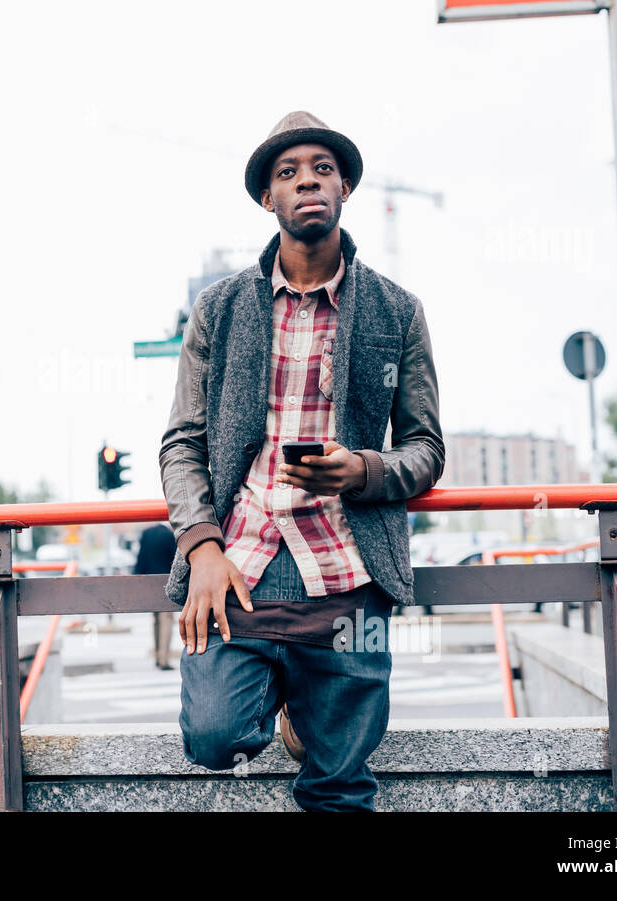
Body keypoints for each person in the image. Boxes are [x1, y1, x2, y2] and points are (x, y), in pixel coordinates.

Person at [158, 111, 445, 811]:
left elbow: (427, 448)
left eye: (321, 167)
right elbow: (181, 442)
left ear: (343, 184)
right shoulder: (219, 308)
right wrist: (200, 547)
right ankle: (289, 708)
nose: (306, 180)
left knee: (341, 784)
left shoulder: (395, 310)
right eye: (287, 172)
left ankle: (310, 716)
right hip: (240, 567)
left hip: (352, 574)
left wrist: (363, 471)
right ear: (268, 199)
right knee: (212, 737)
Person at [134, 522, 179, 668]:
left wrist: (137, 579)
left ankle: (157, 655)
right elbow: (176, 560)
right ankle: (163, 659)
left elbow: (141, 559)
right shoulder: (170, 535)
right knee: (166, 619)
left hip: (150, 583)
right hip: (167, 581)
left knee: (155, 620)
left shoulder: (147, 533)